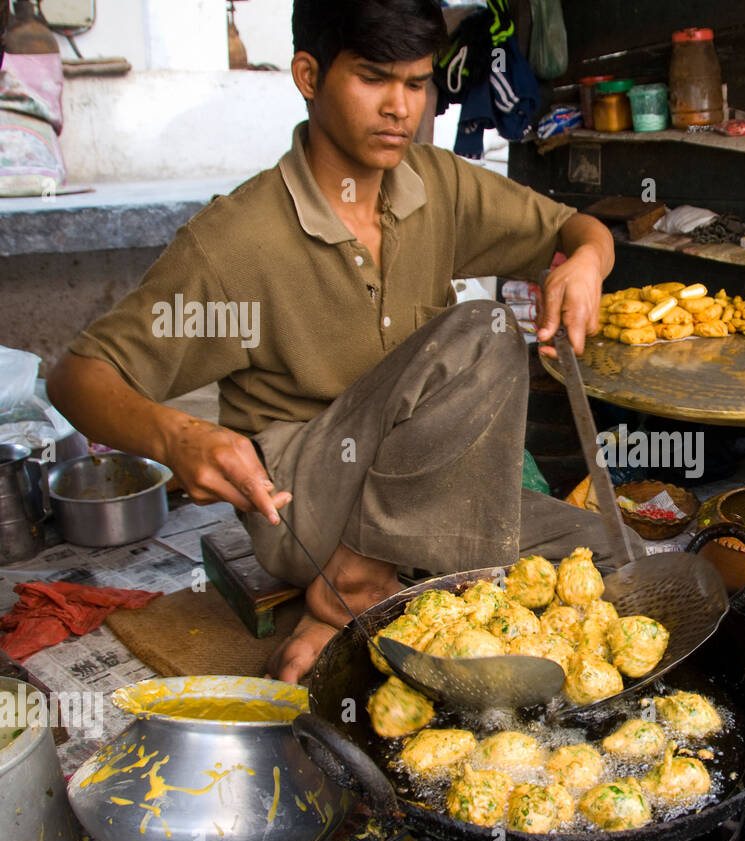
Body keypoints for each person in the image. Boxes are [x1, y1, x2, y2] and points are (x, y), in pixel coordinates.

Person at [46, 0, 621, 683]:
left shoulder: (437, 187)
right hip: (308, 503)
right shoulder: (238, 242)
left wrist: (585, 264)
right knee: (484, 330)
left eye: (416, 83)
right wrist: (177, 439)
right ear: (309, 75)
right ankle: (348, 591)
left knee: (610, 555)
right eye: (374, 78)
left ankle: (405, 585)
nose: (400, 108)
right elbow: (77, 376)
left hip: (427, 490)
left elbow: (579, 230)